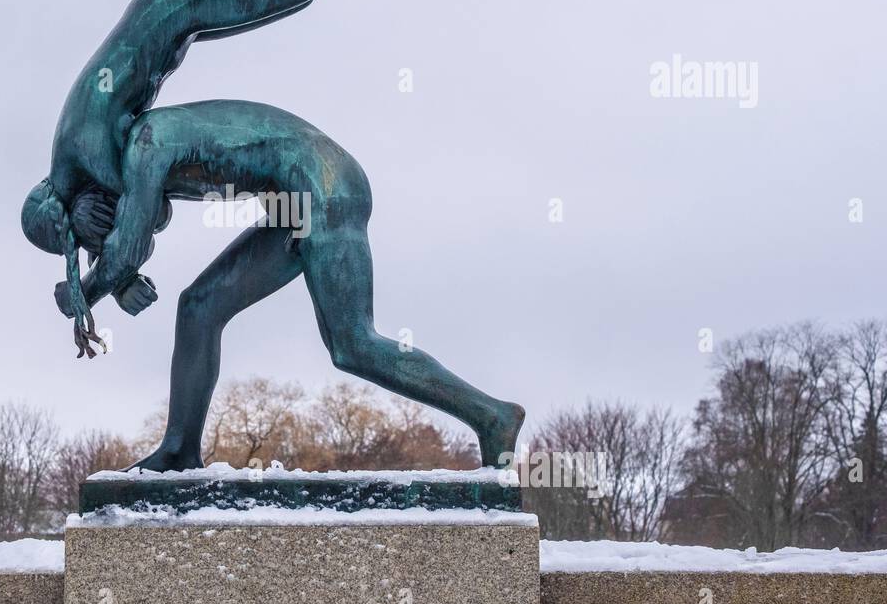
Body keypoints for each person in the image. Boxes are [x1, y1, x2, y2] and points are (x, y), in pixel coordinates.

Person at [45, 97, 527, 471]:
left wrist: (80, 294)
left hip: (325, 185)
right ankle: (178, 451)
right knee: (198, 308)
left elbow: (128, 247)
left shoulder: (145, 144)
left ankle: (491, 416)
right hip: (291, 200)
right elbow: (133, 241)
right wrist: (112, 277)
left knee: (352, 344)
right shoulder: (141, 153)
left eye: (99, 232)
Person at [22, 0, 341, 356]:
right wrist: (108, 269)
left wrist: (101, 285)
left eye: (82, 232)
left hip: (174, 6)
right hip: (172, 18)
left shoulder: (88, 154)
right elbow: (147, 215)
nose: (94, 230)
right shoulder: (80, 155)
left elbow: (142, 220)